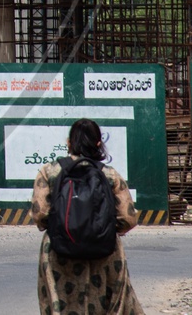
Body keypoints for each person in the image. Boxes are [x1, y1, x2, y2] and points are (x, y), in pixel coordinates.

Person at [31, 118, 144, 315]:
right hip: (104, 253)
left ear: (69, 143)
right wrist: (103, 230)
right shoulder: (110, 175)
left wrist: (63, 228)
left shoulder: (49, 171)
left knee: (60, 304)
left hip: (59, 252)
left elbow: (40, 214)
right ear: (98, 144)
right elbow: (128, 217)